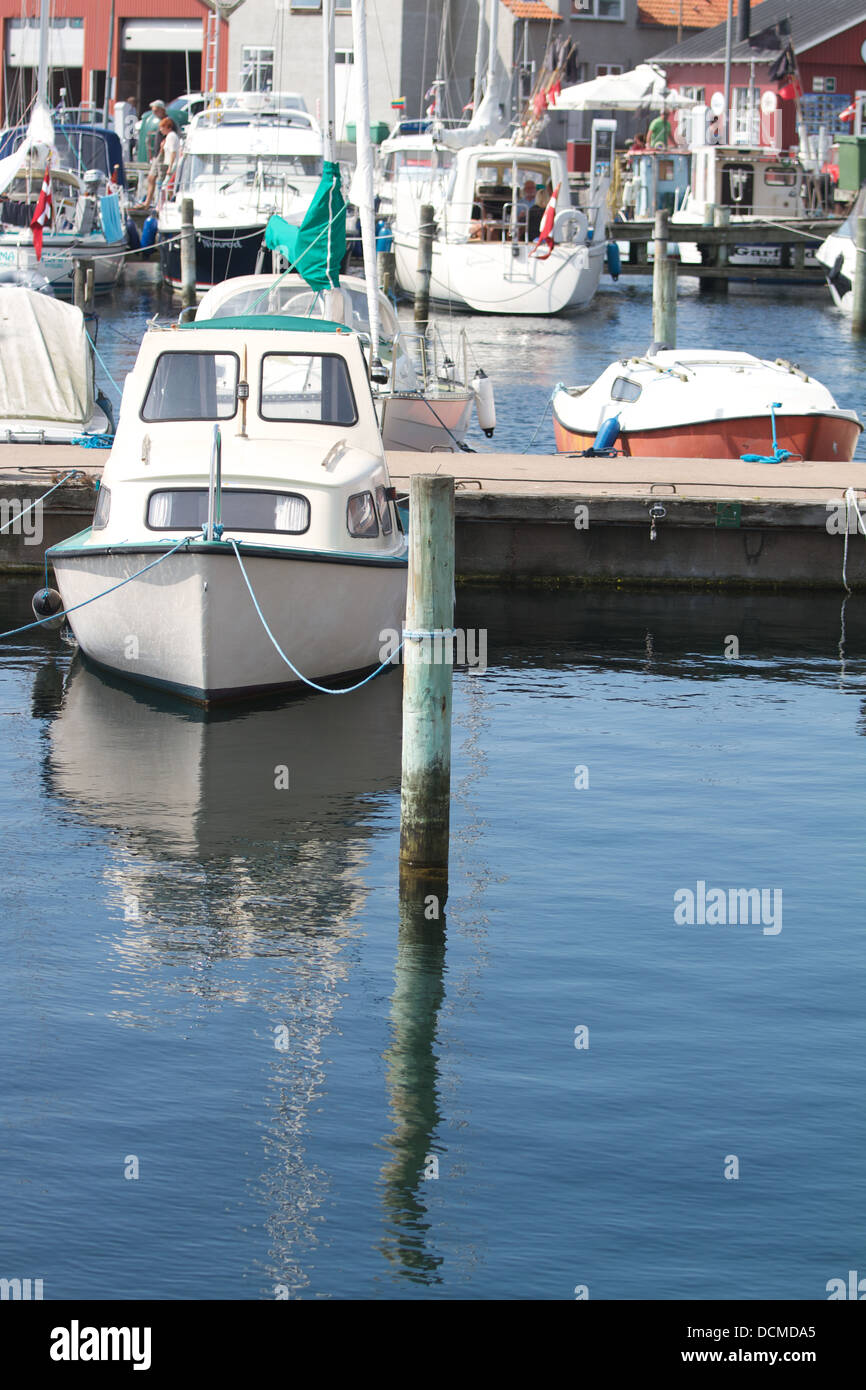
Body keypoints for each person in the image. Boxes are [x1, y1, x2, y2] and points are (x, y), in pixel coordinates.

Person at [132, 115, 180, 211]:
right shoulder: (168, 137)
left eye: (162, 127)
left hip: (169, 165)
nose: (161, 130)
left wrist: (170, 167)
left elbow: (173, 152)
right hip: (166, 163)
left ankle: (162, 204)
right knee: (162, 185)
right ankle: (161, 204)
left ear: (168, 127)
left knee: (163, 185)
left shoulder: (171, 136)